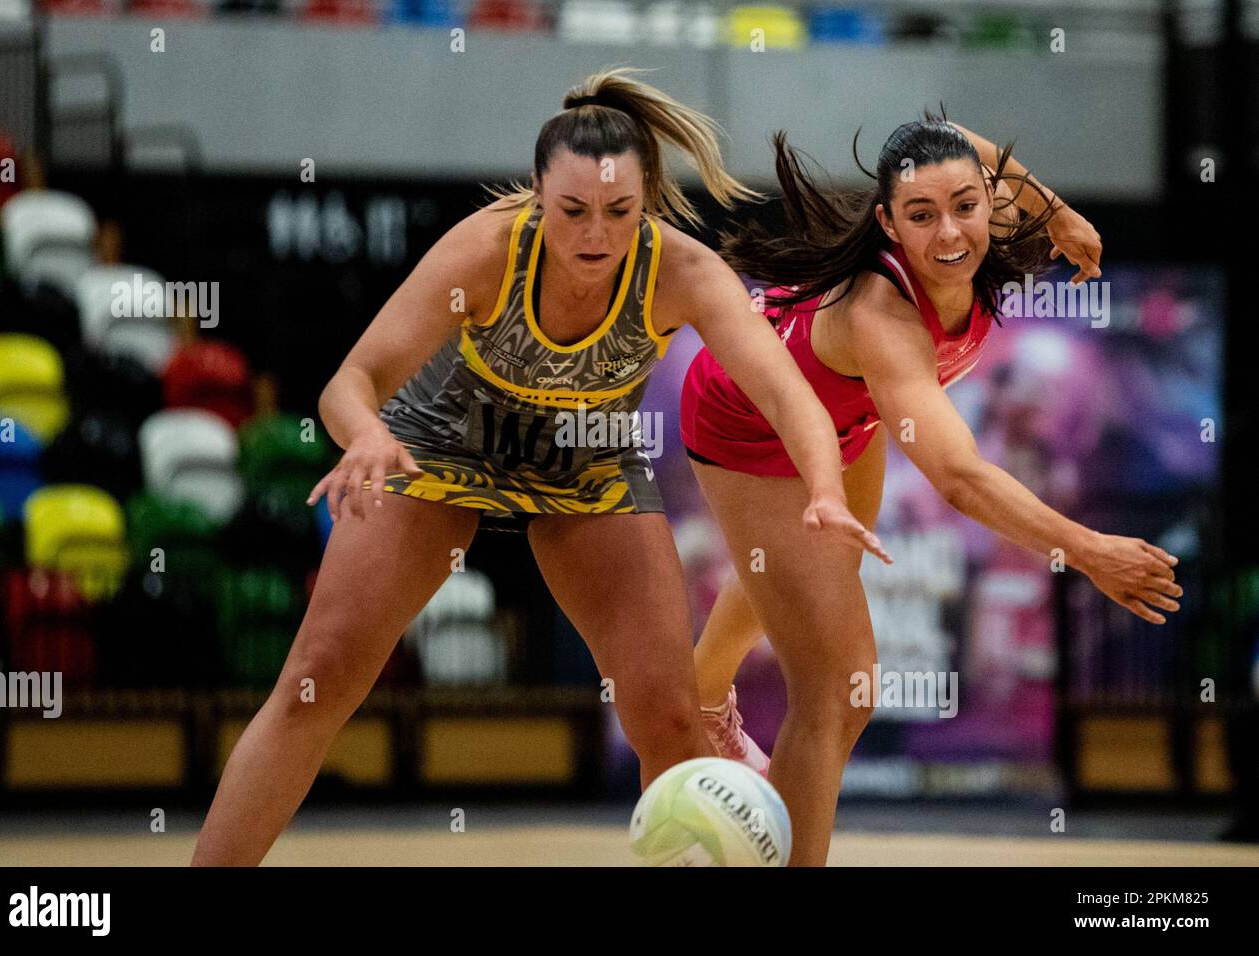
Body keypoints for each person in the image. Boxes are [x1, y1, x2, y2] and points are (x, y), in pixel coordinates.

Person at [191, 68, 885, 866]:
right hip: (440, 447)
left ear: (649, 198)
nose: (596, 234)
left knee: (668, 715)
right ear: (536, 195)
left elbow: (789, 397)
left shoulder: (684, 272)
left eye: (620, 212)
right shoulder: (487, 249)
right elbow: (351, 381)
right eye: (574, 211)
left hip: (586, 465)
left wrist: (827, 488)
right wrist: (365, 438)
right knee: (321, 676)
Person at [679, 115, 1184, 866]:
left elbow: (947, 131)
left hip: (847, 412)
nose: (950, 234)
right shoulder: (885, 319)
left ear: (990, 198)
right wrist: (1088, 550)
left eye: (965, 206)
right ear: (887, 221)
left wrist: (1060, 211)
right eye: (920, 216)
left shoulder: (990, 213)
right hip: (744, 414)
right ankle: (719, 749)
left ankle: (702, 698)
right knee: (839, 690)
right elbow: (957, 476)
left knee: (808, 573)